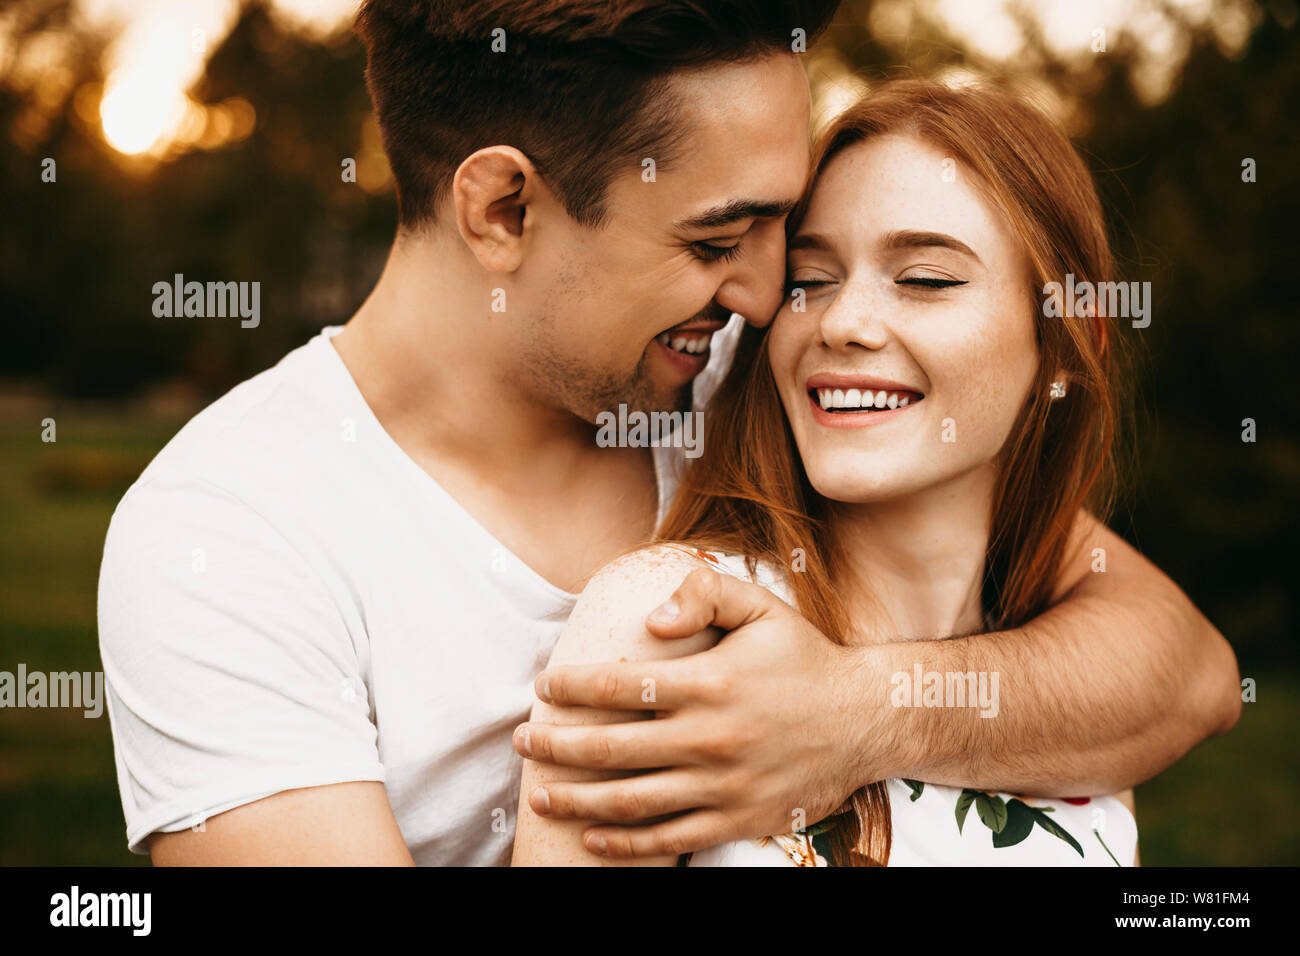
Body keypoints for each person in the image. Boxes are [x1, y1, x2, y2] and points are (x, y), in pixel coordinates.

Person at [98, 2, 1238, 866]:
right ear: (502, 209)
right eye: (717, 237)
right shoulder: (226, 539)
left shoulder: (759, 378)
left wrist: (850, 713)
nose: (765, 293)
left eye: (781, 232)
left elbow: (1178, 669)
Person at [513, 79, 1171, 866]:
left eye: (926, 279)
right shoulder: (668, 623)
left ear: (1066, 347)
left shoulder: (1081, 682)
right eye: (809, 280)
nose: (842, 323)